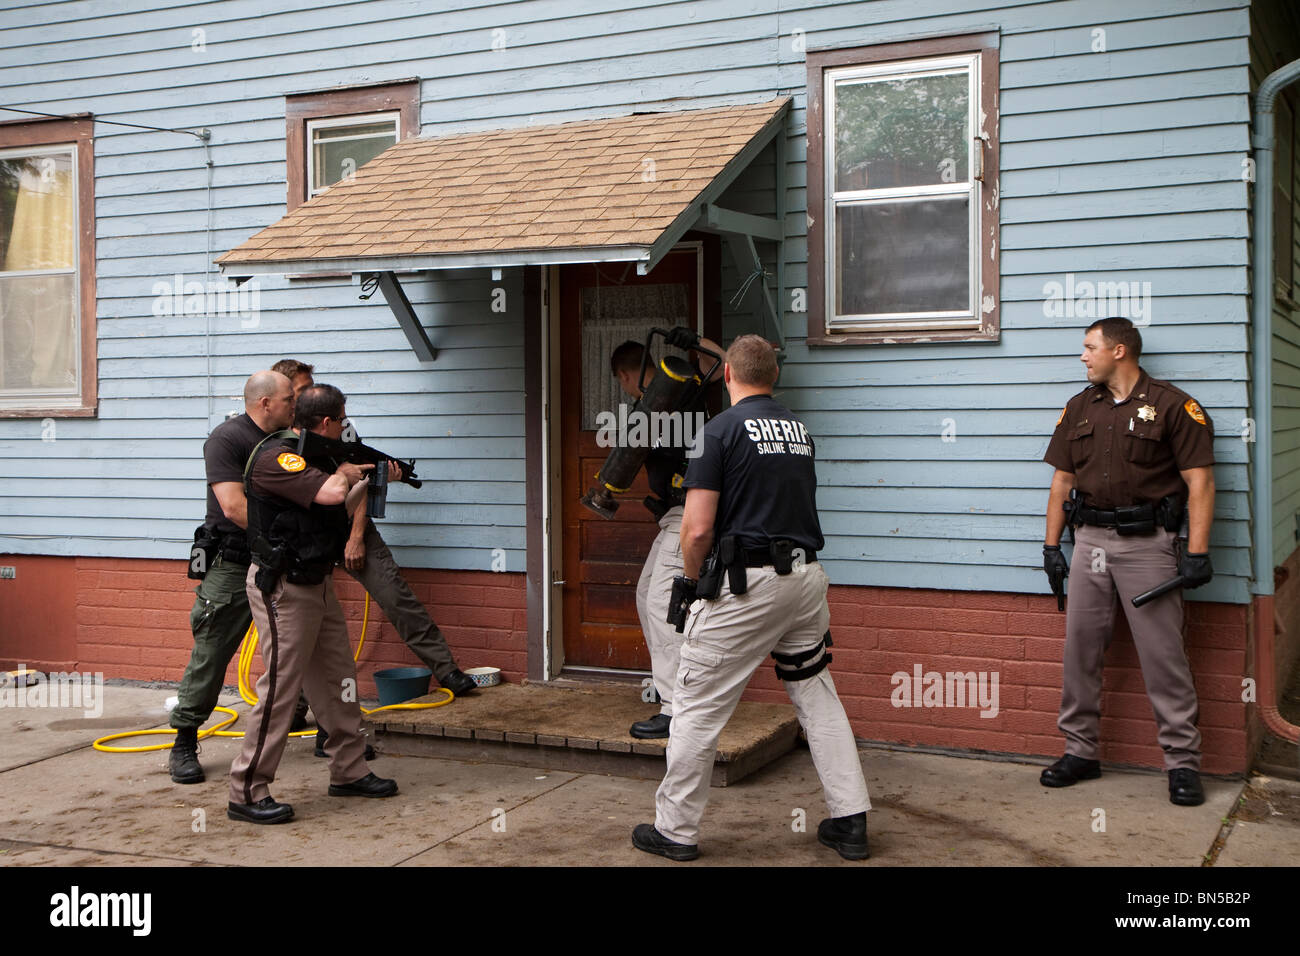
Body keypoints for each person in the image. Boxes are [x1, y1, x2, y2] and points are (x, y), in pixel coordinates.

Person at [632, 335, 872, 861]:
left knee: (695, 707)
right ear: (774, 377)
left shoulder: (717, 432)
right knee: (816, 695)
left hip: (748, 585)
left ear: (726, 376)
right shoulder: (798, 432)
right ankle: (850, 821)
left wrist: (696, 589)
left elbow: (695, 531)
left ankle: (674, 831)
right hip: (805, 583)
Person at [1041, 317, 1215, 806]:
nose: (1082, 356)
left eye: (1089, 347)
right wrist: (1052, 547)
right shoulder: (1079, 408)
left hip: (1147, 545)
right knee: (1080, 651)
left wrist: (1197, 552)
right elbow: (1061, 484)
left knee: (1163, 657)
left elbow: (1199, 483)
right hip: (1089, 541)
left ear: (1119, 351)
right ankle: (1081, 752)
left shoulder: (1173, 405)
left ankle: (1182, 763)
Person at [271, 360, 477, 756]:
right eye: (299, 390)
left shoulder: (338, 427)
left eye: (310, 388)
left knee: (395, 595)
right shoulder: (272, 439)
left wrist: (356, 535)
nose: (309, 394)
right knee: (301, 627)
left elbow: (360, 476)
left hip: (349, 522)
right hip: (302, 537)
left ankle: (446, 669)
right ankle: (298, 709)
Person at [228, 383, 398, 824]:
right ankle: (246, 789)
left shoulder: (316, 460)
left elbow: (339, 507)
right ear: (326, 422)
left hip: (318, 581)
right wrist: (345, 472)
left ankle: (349, 770)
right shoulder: (276, 457)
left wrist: (373, 477)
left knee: (339, 679)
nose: (344, 428)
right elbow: (329, 494)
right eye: (342, 421)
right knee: (282, 688)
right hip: (284, 587)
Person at [168, 370, 296, 784]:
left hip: (283, 561)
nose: (295, 405)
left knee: (305, 645)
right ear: (265, 404)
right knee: (212, 650)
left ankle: (325, 728)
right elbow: (234, 507)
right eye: (289, 399)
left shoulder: (288, 440)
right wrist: (282, 538)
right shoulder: (227, 440)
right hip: (236, 562)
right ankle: (184, 741)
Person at [609, 329, 723, 739]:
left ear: (625, 375)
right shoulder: (645, 411)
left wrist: (695, 341)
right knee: (646, 595)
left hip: (694, 511)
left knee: (662, 603)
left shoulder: (686, 388)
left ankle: (677, 709)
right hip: (674, 512)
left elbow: (726, 365)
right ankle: (668, 685)